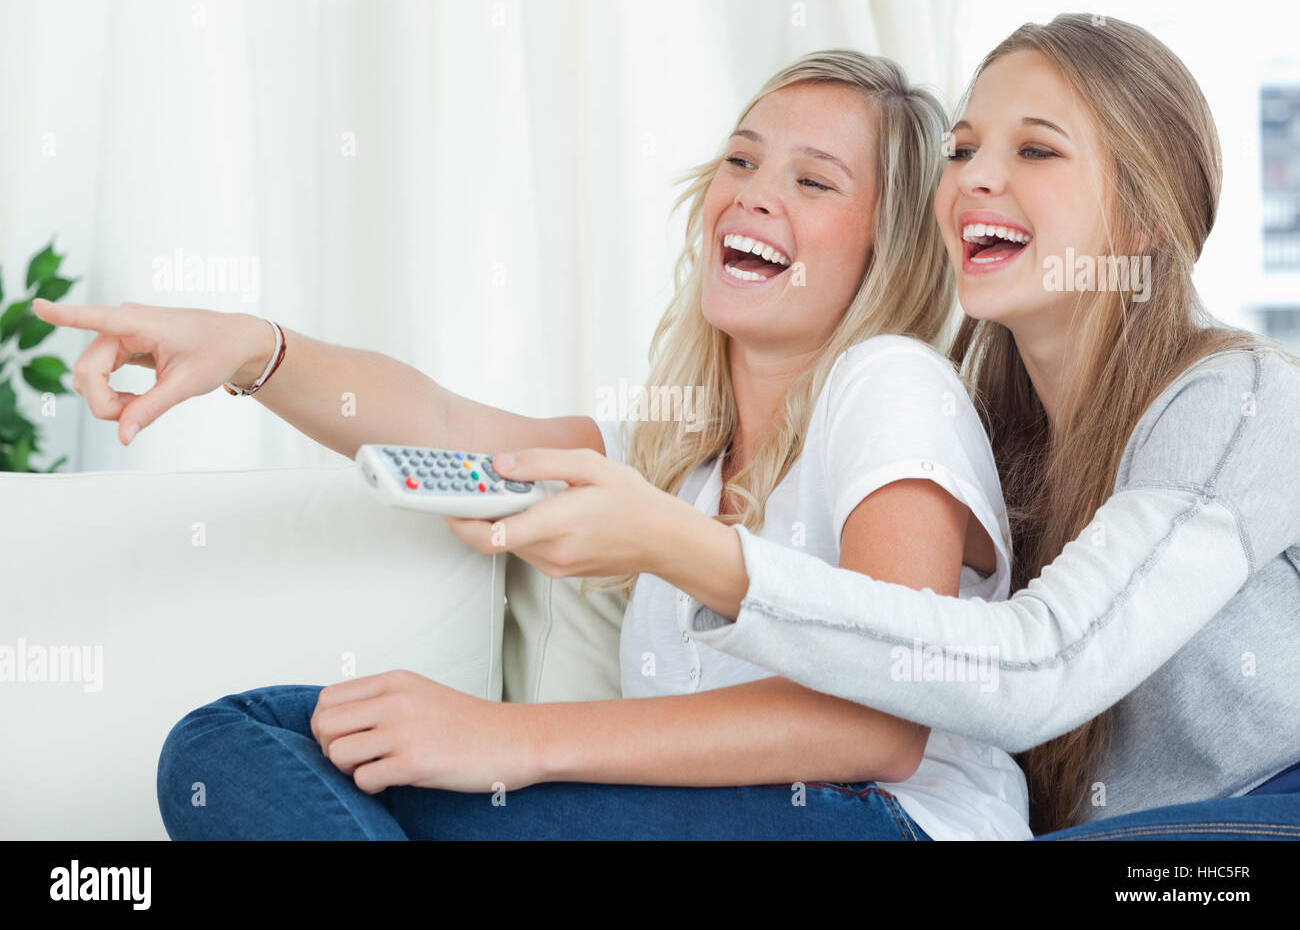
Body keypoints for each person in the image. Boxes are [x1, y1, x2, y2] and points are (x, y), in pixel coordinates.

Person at [37, 49, 1032, 840]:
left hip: (884, 821)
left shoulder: (890, 383)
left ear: (885, 243)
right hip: (699, 811)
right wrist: (252, 348)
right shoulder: (676, 454)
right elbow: (444, 429)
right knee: (237, 746)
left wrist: (510, 739)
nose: (754, 192)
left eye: (812, 180)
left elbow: (879, 720)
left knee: (263, 746)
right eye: (740, 157)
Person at [464, 14, 1300, 840]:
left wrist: (682, 551)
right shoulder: (999, 436)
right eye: (964, 149)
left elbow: (1040, 669)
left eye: (1035, 150)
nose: (974, 178)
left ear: (1148, 218)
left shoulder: (1239, 399)